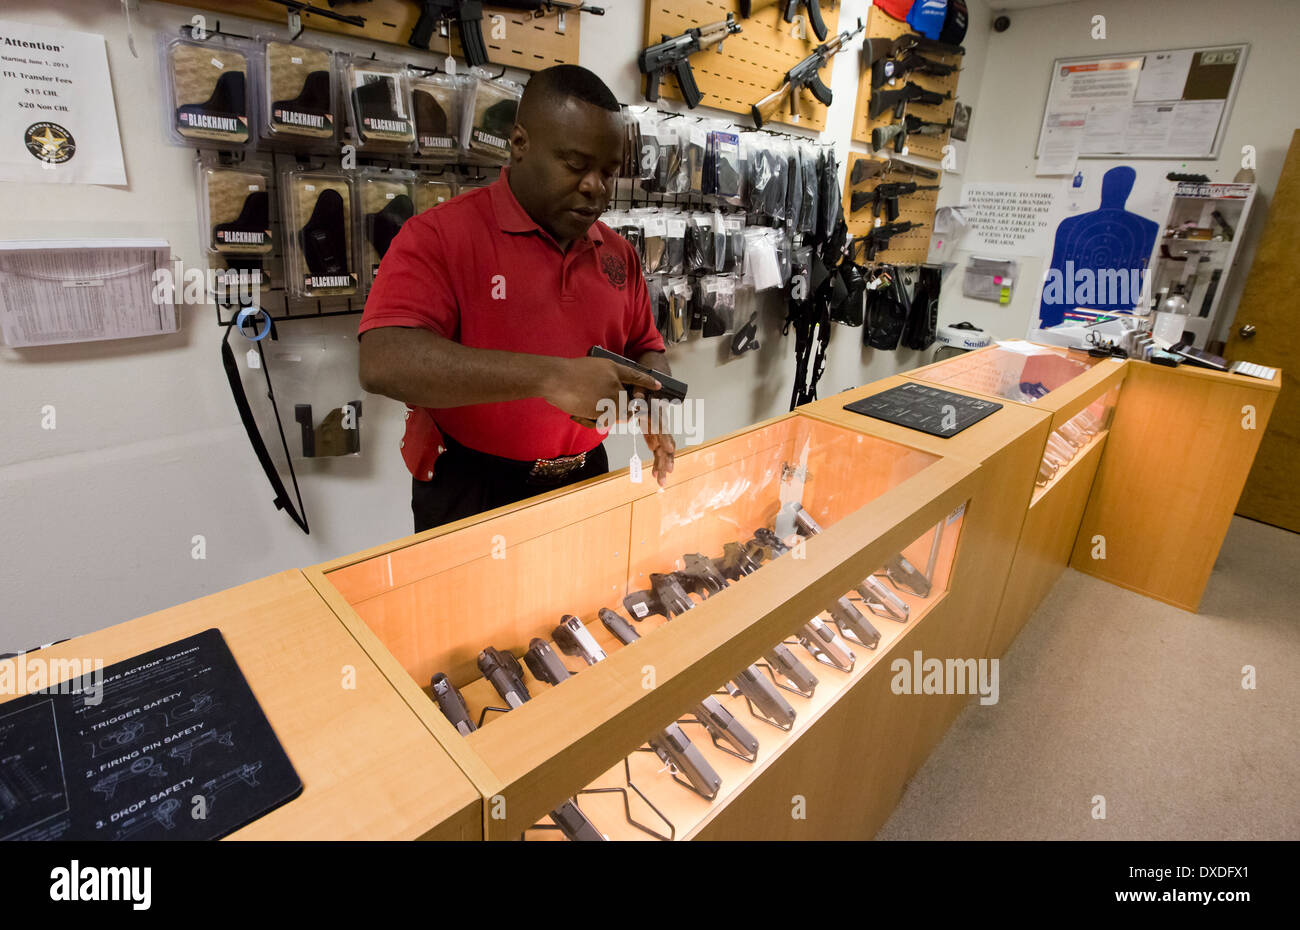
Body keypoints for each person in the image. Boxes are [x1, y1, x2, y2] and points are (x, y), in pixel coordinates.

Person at [358, 65, 674, 532]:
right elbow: (383, 360)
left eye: (609, 172)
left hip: (586, 475)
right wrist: (551, 377)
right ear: (520, 143)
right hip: (474, 486)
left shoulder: (618, 253)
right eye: (575, 164)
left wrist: (652, 395)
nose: (596, 186)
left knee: (582, 605)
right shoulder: (440, 235)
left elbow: (645, 346)